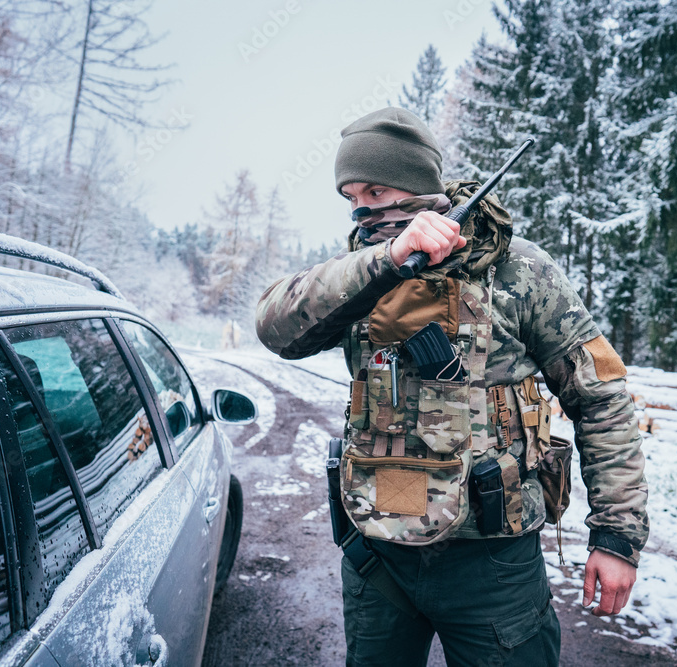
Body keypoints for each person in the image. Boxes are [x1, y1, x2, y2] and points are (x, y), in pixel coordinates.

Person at [256, 107, 648, 667]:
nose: (363, 208)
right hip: (377, 553)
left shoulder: (519, 271)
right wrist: (386, 261)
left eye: (375, 189)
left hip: (493, 564)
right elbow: (275, 326)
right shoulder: (358, 273)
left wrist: (617, 536)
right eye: (350, 197)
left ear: (417, 185)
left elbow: (602, 398)